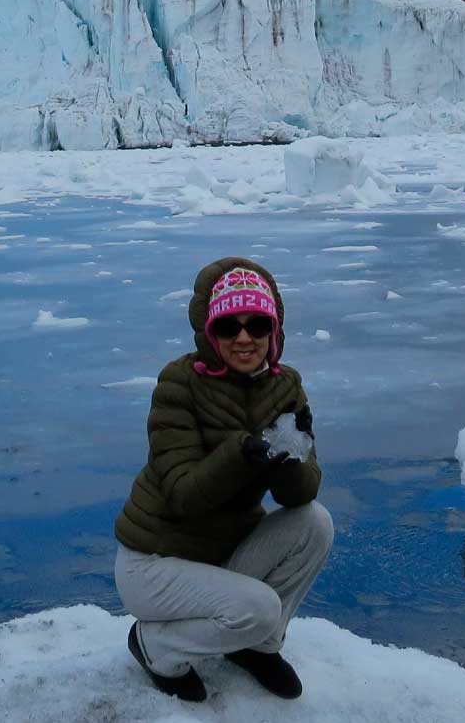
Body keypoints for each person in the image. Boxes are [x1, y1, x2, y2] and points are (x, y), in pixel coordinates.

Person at [113, 257, 333, 703]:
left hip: (219, 553)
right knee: (258, 608)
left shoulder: (285, 384)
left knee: (315, 523)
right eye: (230, 325)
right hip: (155, 563)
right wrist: (242, 453)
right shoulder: (178, 384)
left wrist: (291, 455)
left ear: (274, 329)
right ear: (211, 332)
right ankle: (155, 647)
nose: (245, 337)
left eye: (257, 324)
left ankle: (257, 645)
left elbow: (300, 494)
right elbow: (181, 497)